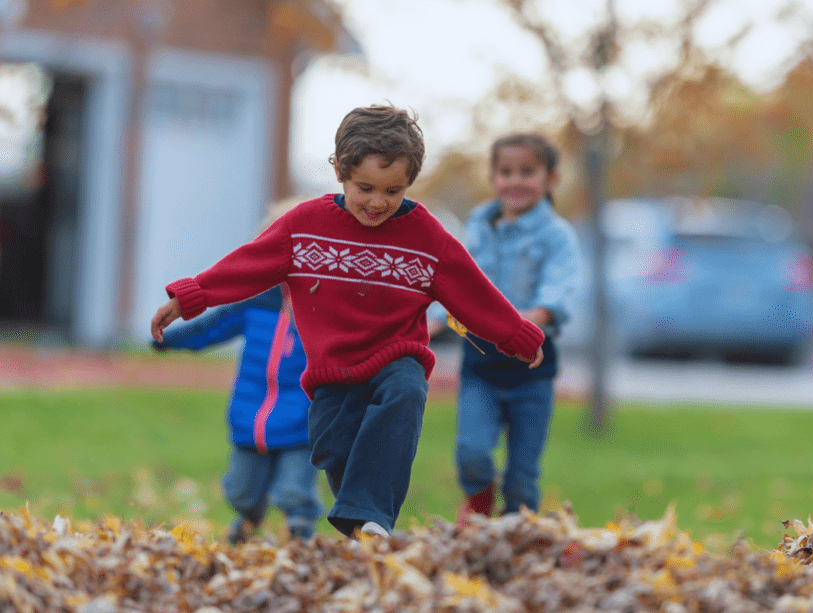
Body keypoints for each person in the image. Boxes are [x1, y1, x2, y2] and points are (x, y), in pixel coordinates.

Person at [150, 104, 545, 539]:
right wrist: (189, 297)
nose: (378, 202)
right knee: (335, 452)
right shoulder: (305, 227)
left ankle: (375, 519)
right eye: (366, 188)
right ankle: (362, 531)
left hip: (397, 356)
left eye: (393, 191)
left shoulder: (426, 238)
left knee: (405, 390)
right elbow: (250, 265)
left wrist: (517, 334)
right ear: (339, 170)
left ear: (410, 182)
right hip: (332, 372)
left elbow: (471, 293)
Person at [151, 198, 324, 544]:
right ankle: (247, 521)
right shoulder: (255, 300)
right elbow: (213, 327)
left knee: (294, 491)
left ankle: (299, 534)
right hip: (252, 413)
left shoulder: (324, 304)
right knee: (242, 491)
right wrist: (172, 339)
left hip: (303, 418)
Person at [429, 132, 581, 520]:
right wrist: (431, 322)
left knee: (522, 479)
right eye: (505, 172)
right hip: (481, 364)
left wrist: (529, 319)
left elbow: (557, 288)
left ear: (552, 178)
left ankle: (519, 545)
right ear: (493, 177)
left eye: (527, 172)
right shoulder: (477, 228)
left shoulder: (557, 236)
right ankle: (479, 497)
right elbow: (455, 280)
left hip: (532, 367)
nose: (515, 181)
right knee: (472, 453)